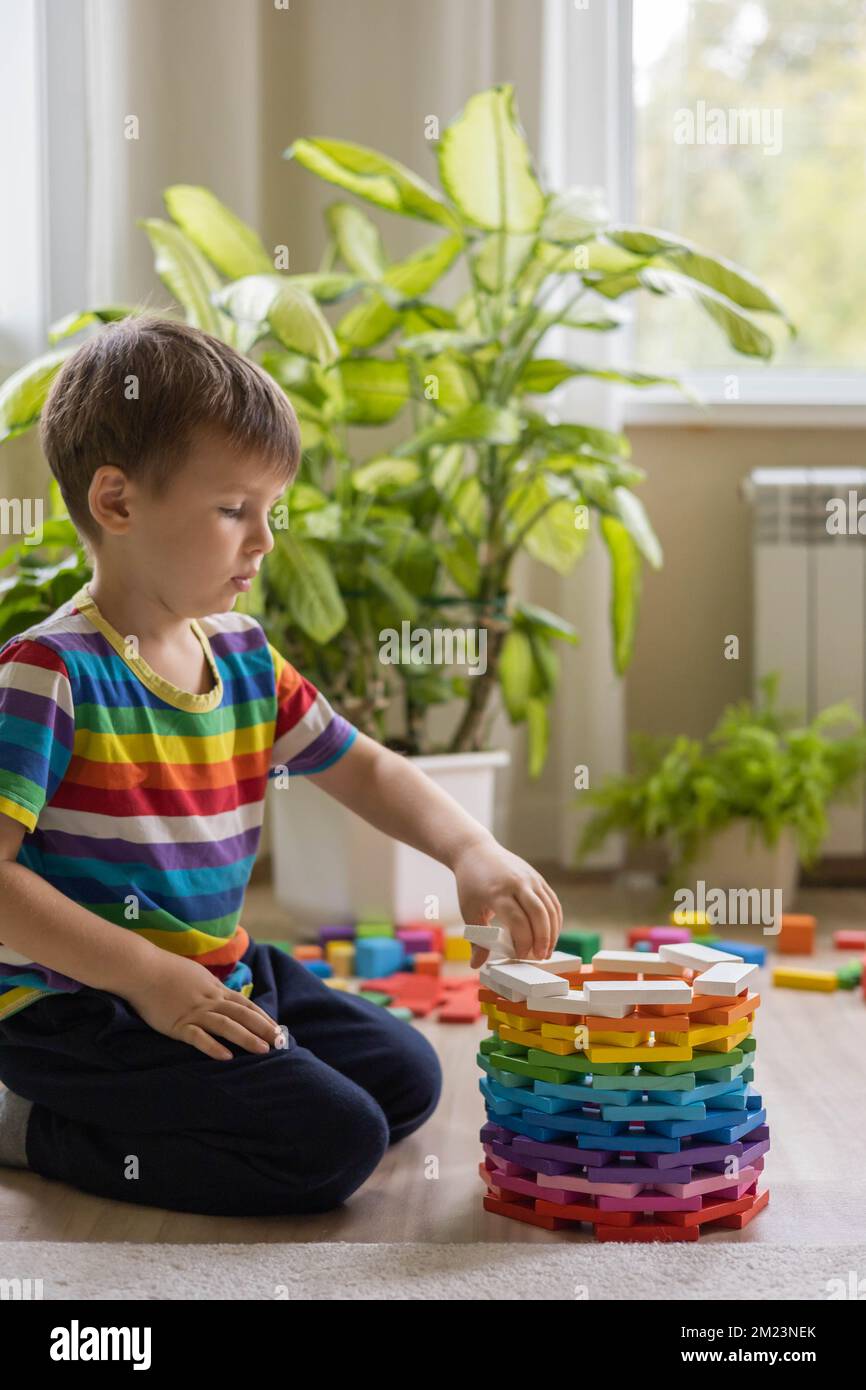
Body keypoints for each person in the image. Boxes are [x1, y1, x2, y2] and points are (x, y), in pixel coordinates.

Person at [0, 315, 562, 1217]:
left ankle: (172, 1084)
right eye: (233, 511)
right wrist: (149, 982)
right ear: (118, 503)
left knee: (406, 1080)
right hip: (78, 1007)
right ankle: (31, 1122)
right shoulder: (51, 671)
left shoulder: (245, 655)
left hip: (218, 967)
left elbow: (365, 769)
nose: (263, 541)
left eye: (270, 512)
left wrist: (471, 850)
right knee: (328, 1145)